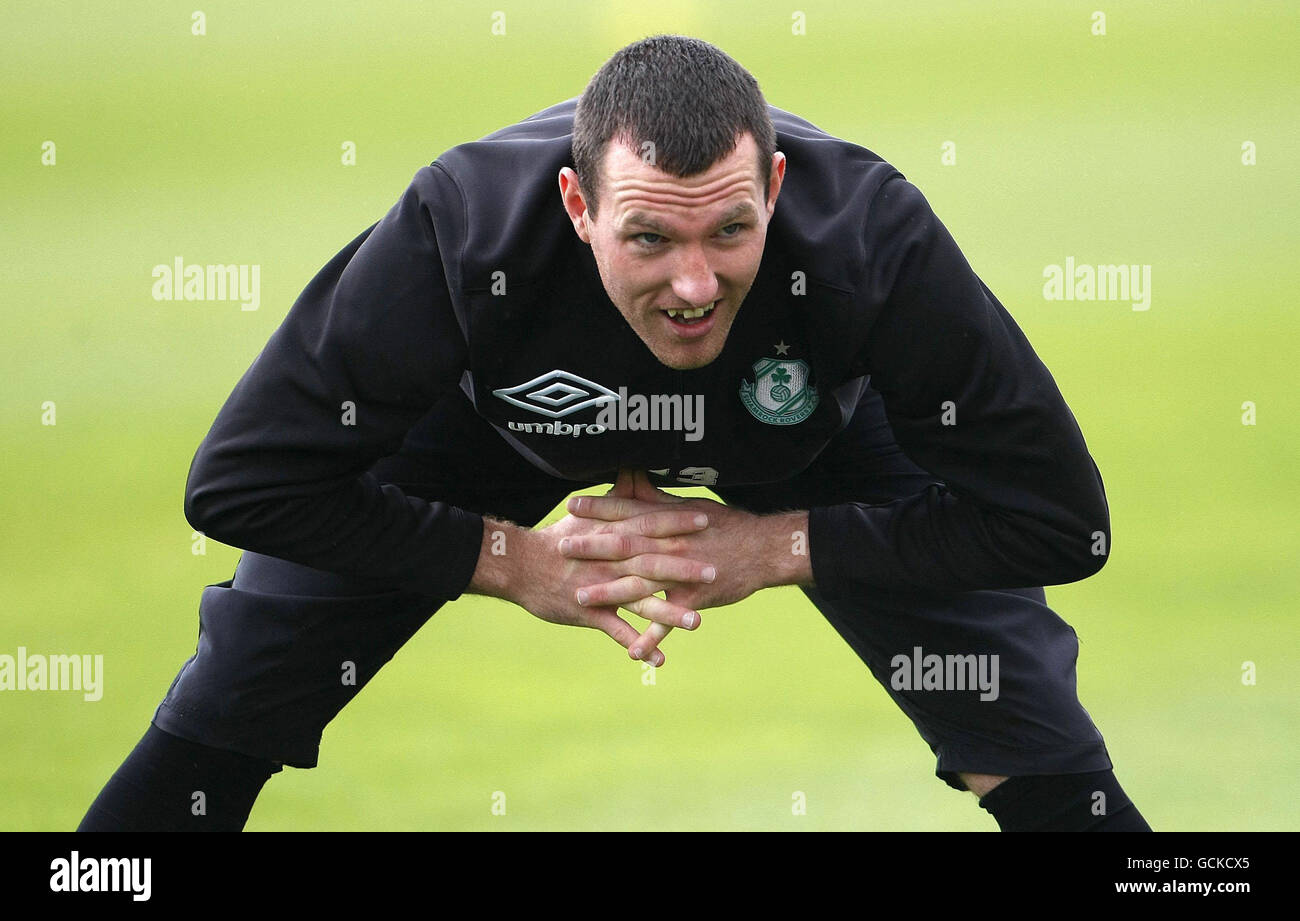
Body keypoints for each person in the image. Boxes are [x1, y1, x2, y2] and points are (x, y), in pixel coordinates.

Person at [78, 35, 1150, 831]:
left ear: (775, 187)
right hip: (491, 423)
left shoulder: (870, 240)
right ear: (575, 206)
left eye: (731, 230)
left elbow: (1062, 526)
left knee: (1017, 725)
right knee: (241, 688)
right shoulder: (461, 230)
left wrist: (781, 545)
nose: (695, 282)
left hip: (813, 436)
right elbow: (239, 485)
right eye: (649, 236)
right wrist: (503, 560)